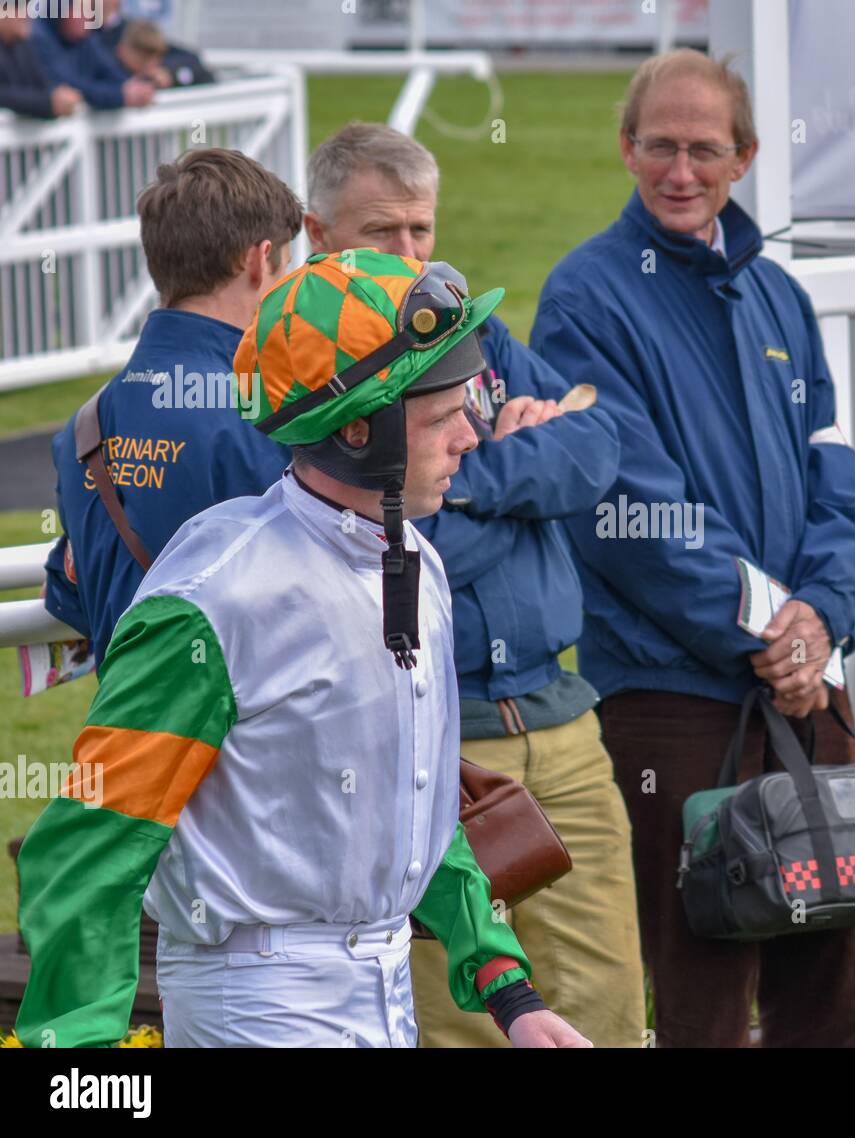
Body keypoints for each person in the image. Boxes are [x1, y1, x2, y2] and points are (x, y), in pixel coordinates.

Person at [16, 250, 590, 1049]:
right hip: (254, 1003)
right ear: (360, 432)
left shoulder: (416, 562)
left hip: (383, 992)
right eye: (443, 419)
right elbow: (88, 842)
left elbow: (414, 803)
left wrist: (507, 988)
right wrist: (75, 1063)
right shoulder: (215, 598)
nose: (472, 438)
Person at [530, 50, 855, 1048]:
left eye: (703, 150)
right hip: (671, 700)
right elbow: (630, 511)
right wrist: (779, 632)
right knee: (704, 994)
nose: (679, 171)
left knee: (833, 986)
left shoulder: (779, 295)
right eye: (659, 147)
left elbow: (835, 471)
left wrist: (823, 618)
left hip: (803, 686)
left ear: (745, 157)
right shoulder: (586, 298)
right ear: (625, 148)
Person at [304, 122, 645, 1047]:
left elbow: (597, 447)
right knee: (462, 1023)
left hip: (563, 720)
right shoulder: (317, 362)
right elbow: (399, 548)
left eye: (424, 229)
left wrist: (478, 478)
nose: (414, 255)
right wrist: (508, 471)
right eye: (386, 233)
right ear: (317, 233)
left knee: (607, 1014)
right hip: (434, 742)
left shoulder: (468, 323)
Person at [44, 148, 301, 660]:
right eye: (285, 268)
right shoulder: (266, 414)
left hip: (128, 722)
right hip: (247, 726)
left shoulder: (82, 426)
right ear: (257, 259)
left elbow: (71, 591)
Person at [30, 8, 155, 110]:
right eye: (83, 11)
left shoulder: (84, 37)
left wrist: (133, 86)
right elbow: (68, 83)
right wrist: (119, 95)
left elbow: (109, 71)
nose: (89, 17)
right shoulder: (38, 36)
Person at [0, 6, 82, 119]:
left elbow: (41, 84)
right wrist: (48, 103)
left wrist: (58, 96)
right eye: (17, 9)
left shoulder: (22, 46)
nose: (25, 16)